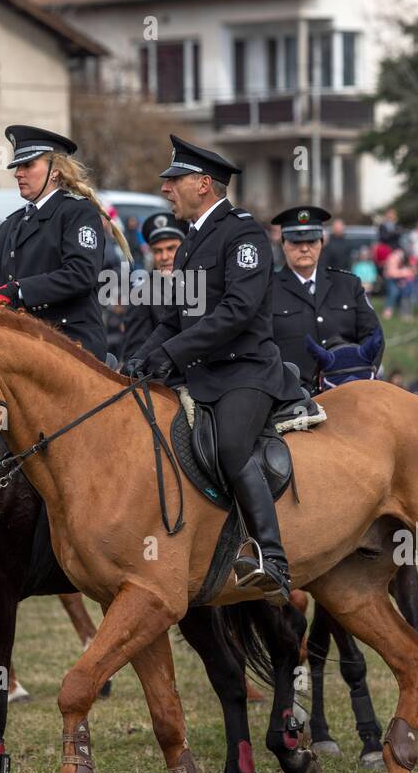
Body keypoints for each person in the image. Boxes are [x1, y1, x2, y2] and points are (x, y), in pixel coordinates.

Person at [123, 135, 322, 600]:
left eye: (174, 181)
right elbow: (173, 315)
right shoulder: (192, 241)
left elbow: (236, 311)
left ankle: (272, 558)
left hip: (246, 372)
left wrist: (173, 353)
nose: (167, 189)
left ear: (204, 184)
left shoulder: (244, 234)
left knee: (232, 449)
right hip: (200, 372)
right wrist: (143, 358)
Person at [0, 124, 128, 360]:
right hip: (22, 340)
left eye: (27, 165)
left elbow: (81, 274)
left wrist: (18, 291)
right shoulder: (10, 224)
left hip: (69, 340)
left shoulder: (77, 212)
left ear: (55, 171)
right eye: (16, 166)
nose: (17, 173)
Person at [270, 205, 383, 390]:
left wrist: (360, 374)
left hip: (350, 389)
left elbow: (373, 336)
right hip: (291, 397)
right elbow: (260, 345)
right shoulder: (267, 290)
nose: (305, 248)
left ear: (322, 242)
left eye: (312, 241)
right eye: (296, 242)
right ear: (283, 244)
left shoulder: (348, 284)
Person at [120, 211, 188, 364]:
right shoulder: (142, 292)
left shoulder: (200, 281)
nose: (164, 257)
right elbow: (135, 352)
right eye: (158, 251)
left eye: (171, 248)